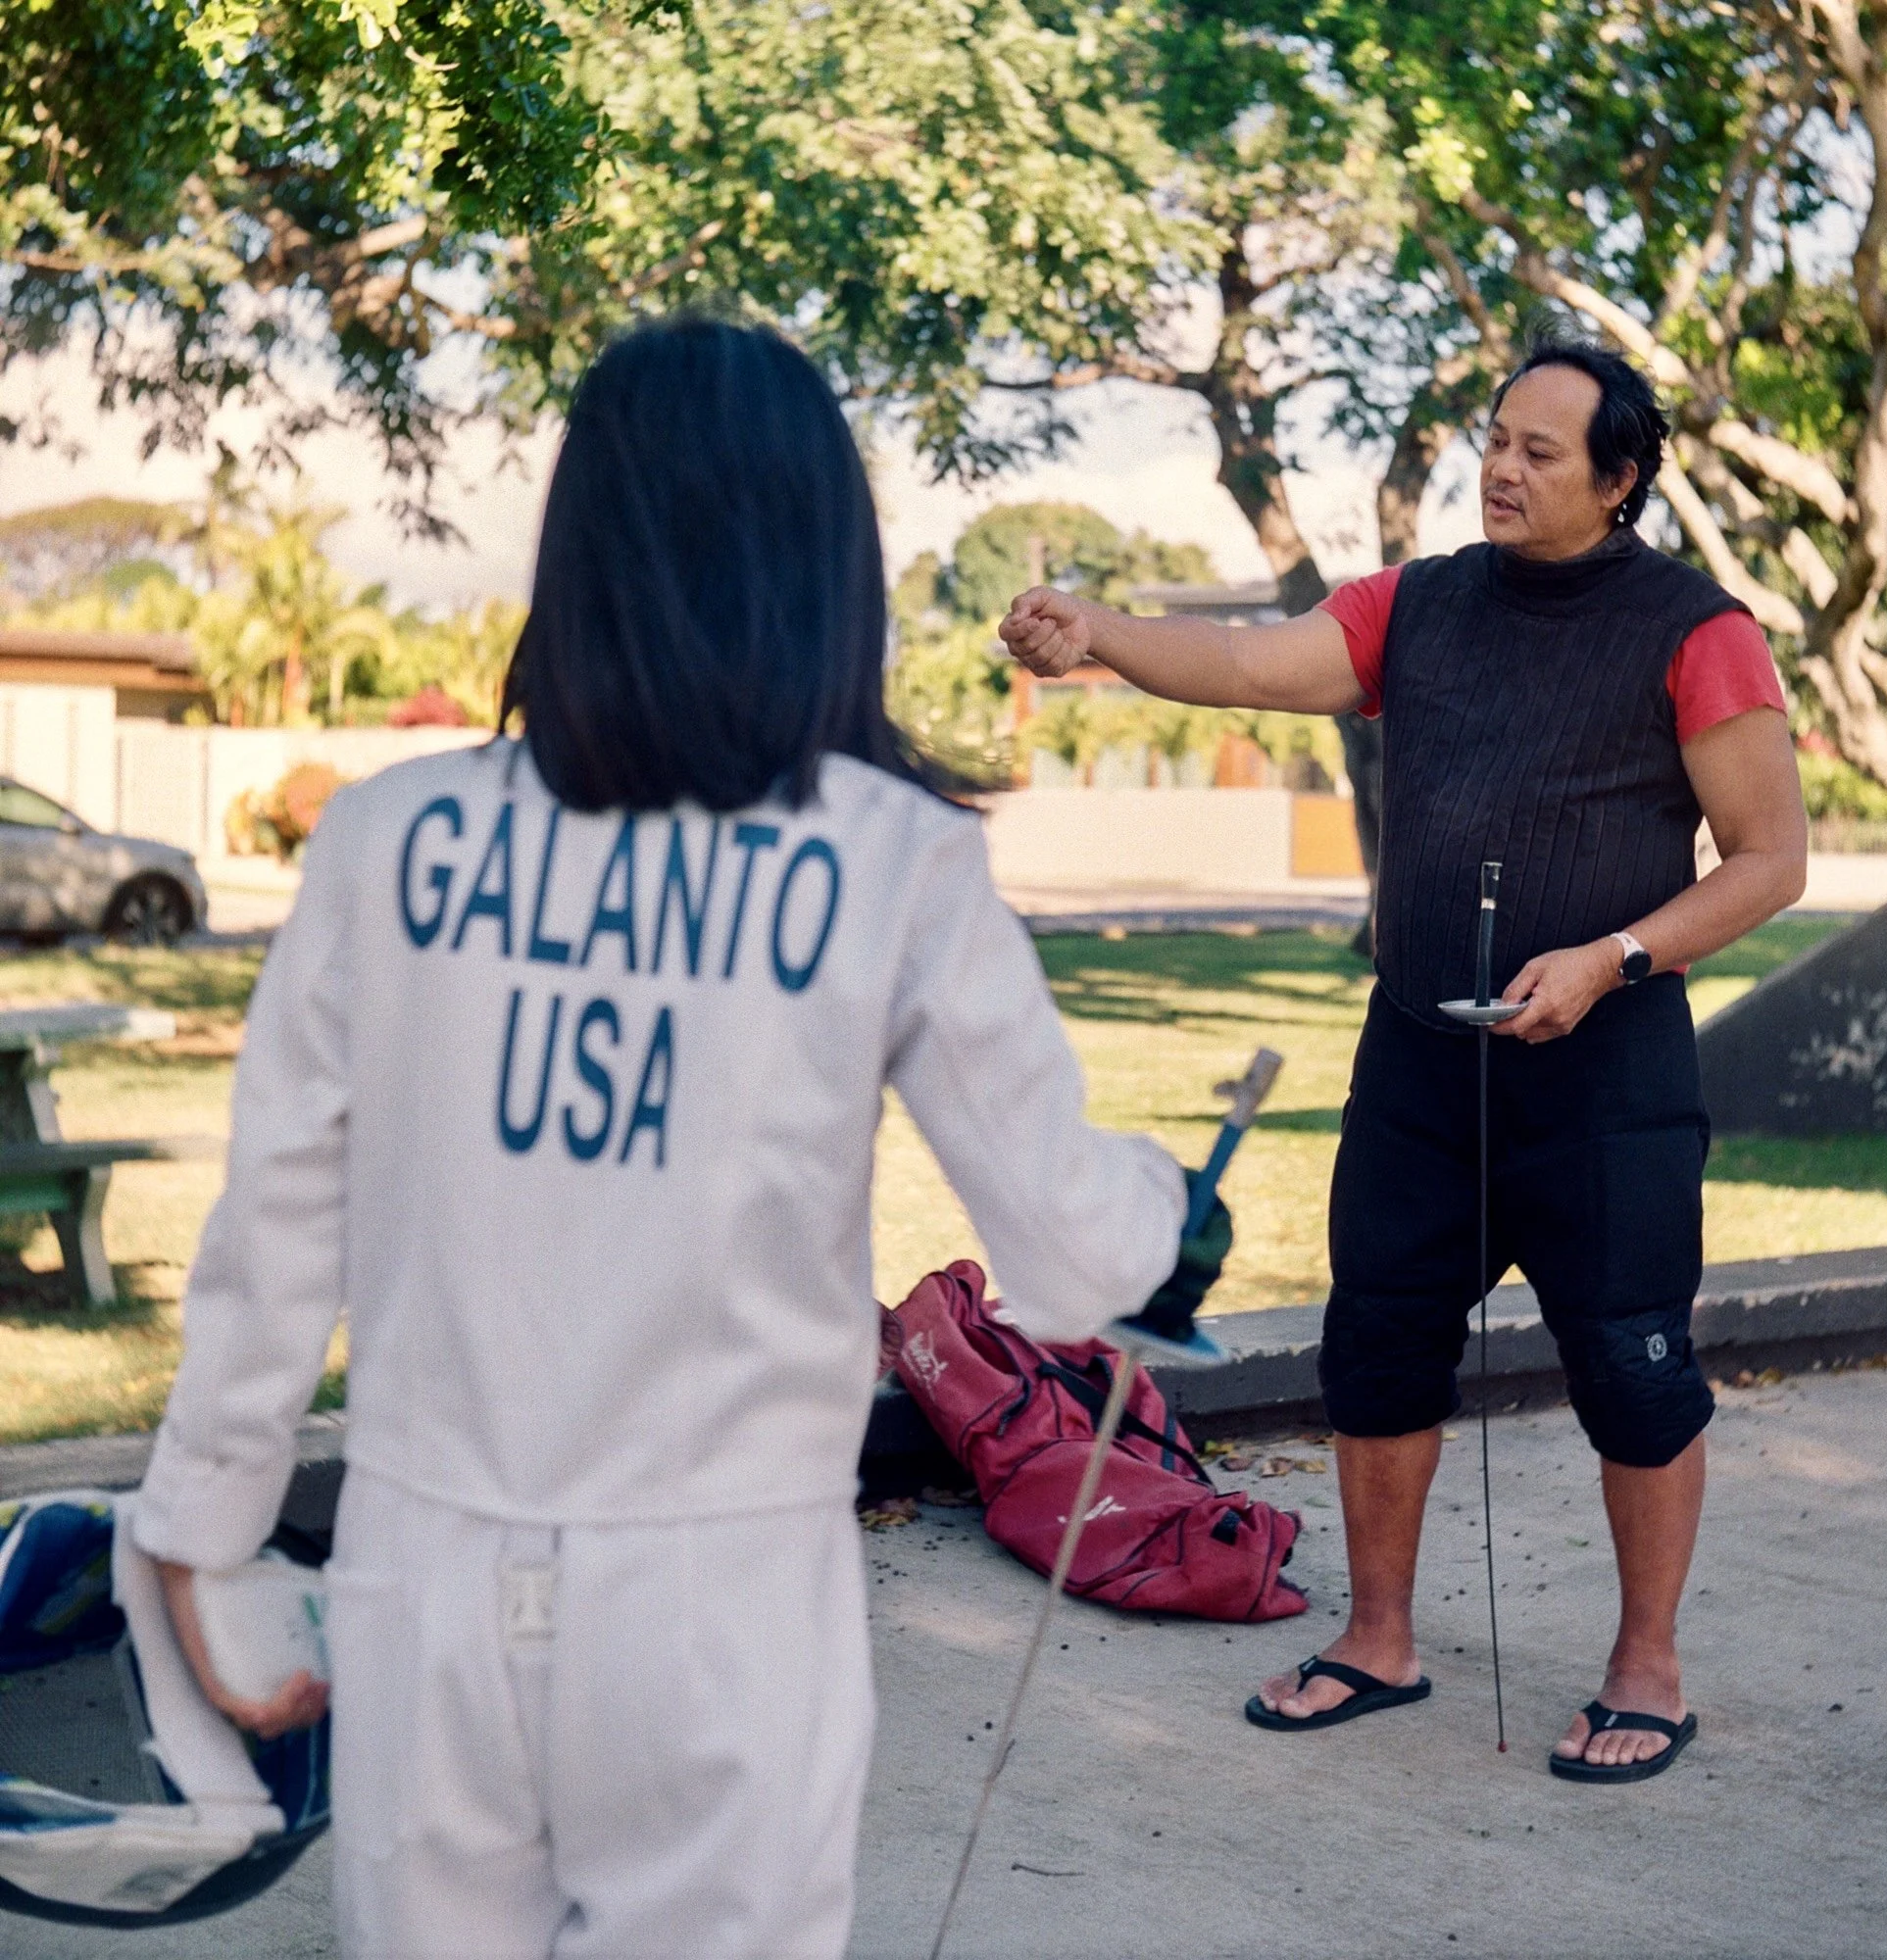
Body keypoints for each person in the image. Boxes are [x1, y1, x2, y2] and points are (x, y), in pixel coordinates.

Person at [132, 318, 1211, 1958]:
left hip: (422, 1574)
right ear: (826, 560)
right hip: (723, 1608)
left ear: (582, 545)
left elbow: (277, 1227)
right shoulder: (895, 858)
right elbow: (1068, 1253)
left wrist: (200, 1540)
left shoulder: (384, 837)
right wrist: (1170, 1208)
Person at [1000, 340, 1808, 1783]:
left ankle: (1647, 1668)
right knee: (1374, 1350)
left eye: (1542, 452)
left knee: (1634, 1370)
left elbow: (1770, 864)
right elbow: (1249, 666)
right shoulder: (1417, 605)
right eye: (1496, 440)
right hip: (1421, 1067)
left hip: (1607, 1073)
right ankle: (1379, 1641)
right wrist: (1103, 630)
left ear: (1620, 481)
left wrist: (1613, 959)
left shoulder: (1698, 628)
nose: (1502, 467)